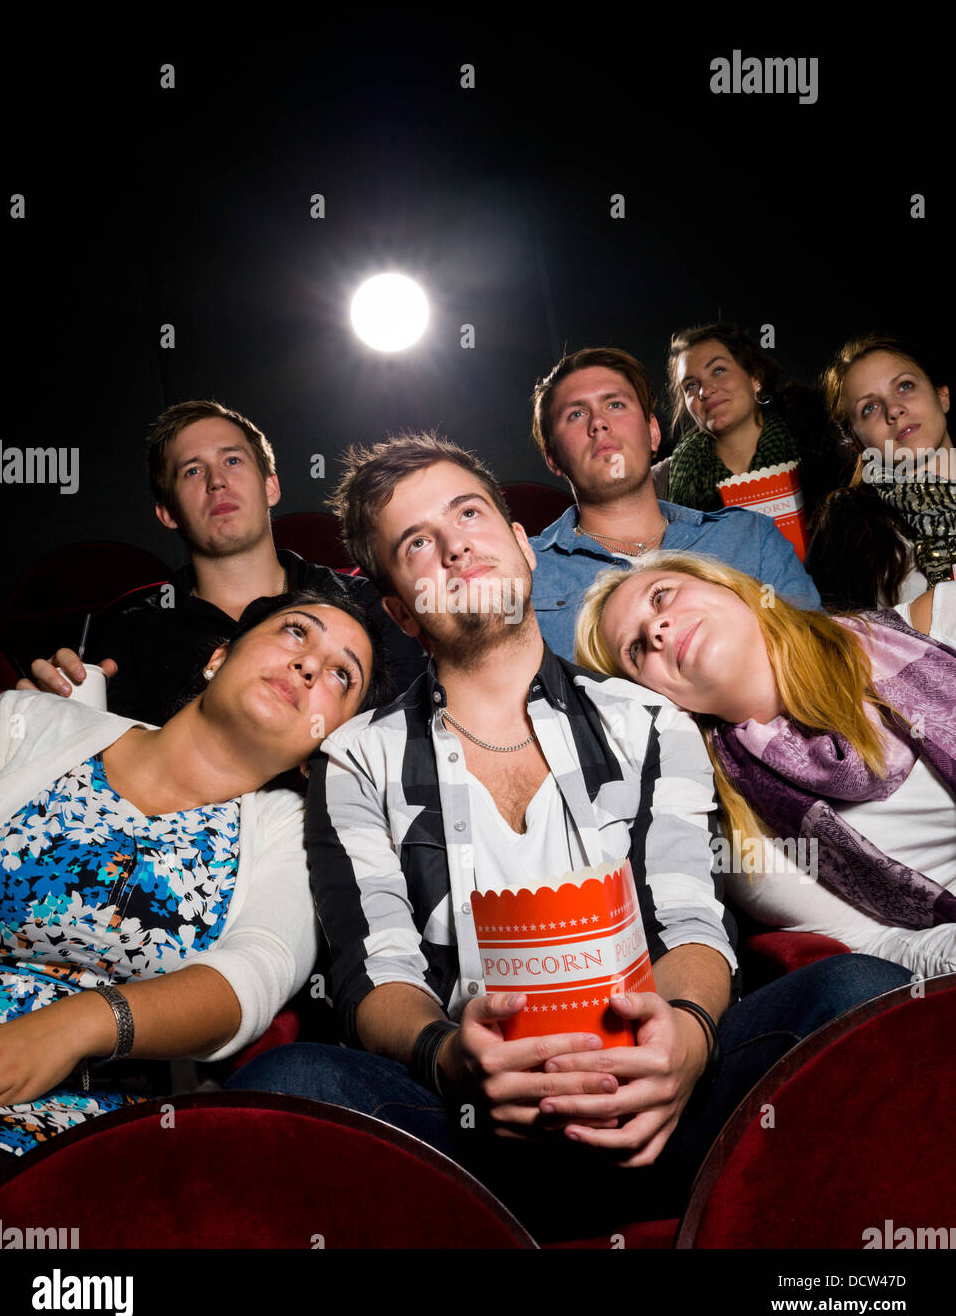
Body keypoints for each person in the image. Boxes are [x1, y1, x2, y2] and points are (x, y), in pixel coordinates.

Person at [226, 432, 910, 1235]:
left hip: (670, 1100)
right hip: (473, 1138)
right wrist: (451, 1058)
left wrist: (686, 1039)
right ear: (401, 610)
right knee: (293, 1078)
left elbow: (691, 919)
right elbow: (375, 978)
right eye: (417, 543)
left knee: (859, 991)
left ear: (521, 546)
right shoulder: (356, 758)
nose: (455, 546)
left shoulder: (646, 718)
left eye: (470, 514)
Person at [0, 586, 387, 1183]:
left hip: (96, 1128)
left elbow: (253, 976)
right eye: (296, 632)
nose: (308, 664)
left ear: (321, 747)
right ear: (218, 658)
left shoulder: (296, 835)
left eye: (340, 677)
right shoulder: (29, 723)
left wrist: (76, 1025)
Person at [575, 550, 956, 980]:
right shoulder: (743, 836)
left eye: (661, 597)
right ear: (657, 698)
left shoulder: (936, 622)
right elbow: (884, 947)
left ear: (725, 584)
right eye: (637, 649)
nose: (657, 628)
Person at [18, 399, 425, 722]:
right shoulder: (125, 633)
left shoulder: (367, 605)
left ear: (271, 486)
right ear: (168, 513)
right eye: (193, 472)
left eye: (233, 461)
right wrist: (50, 717)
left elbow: (415, 737)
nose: (217, 482)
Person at [527, 348, 822, 660]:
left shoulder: (751, 536)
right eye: (576, 414)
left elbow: (821, 663)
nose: (598, 423)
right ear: (552, 457)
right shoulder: (522, 576)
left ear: (653, 433)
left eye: (615, 405)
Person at [805, 335, 955, 648]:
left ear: (943, 396)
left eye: (905, 386)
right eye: (869, 407)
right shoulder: (846, 529)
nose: (894, 410)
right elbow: (836, 652)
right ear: (857, 442)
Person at [664, 323, 843, 524]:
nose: (704, 391)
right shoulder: (675, 474)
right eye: (691, 385)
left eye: (718, 370)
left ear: (755, 377)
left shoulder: (817, 445)